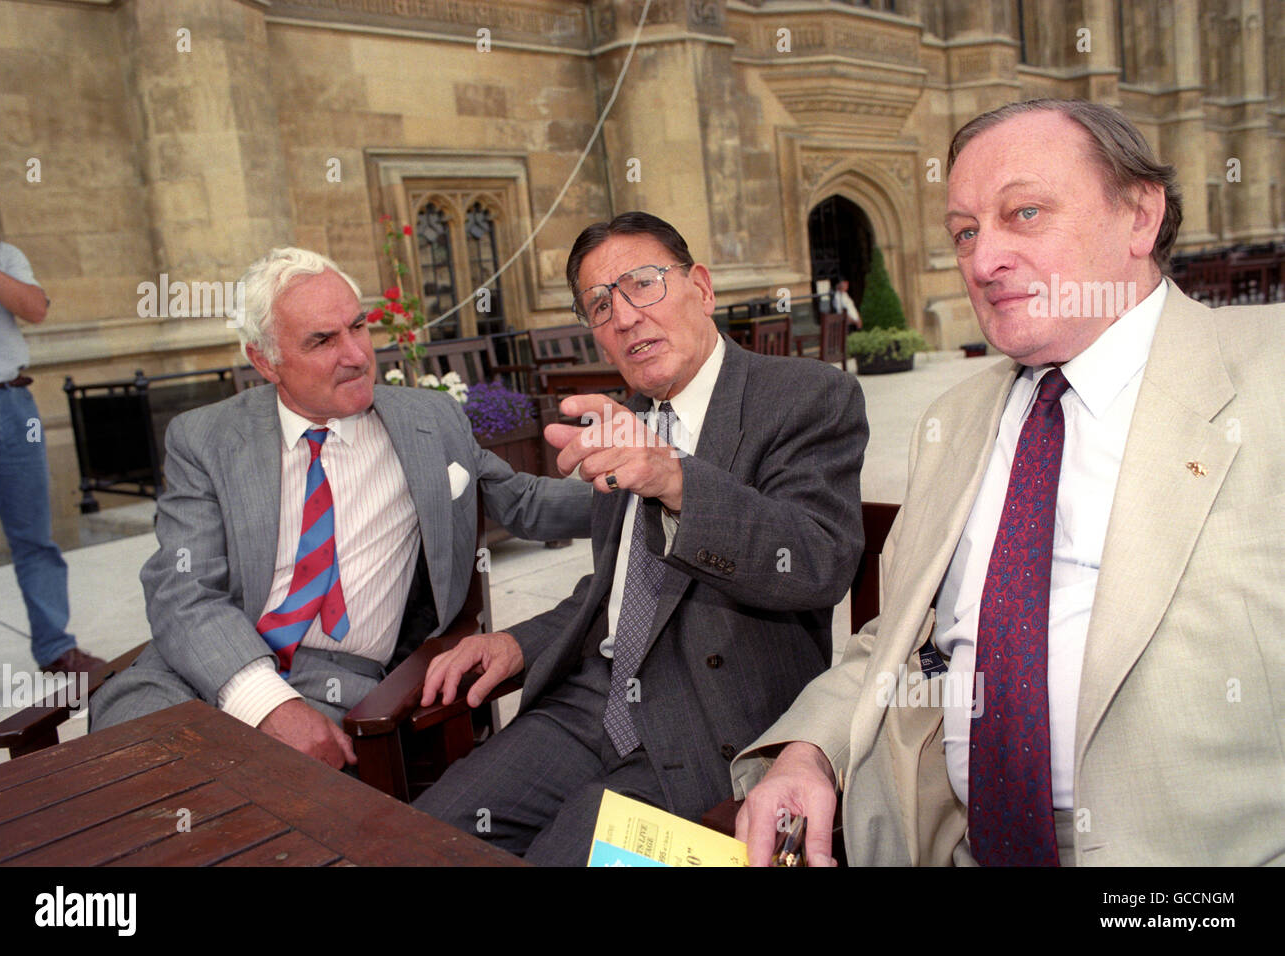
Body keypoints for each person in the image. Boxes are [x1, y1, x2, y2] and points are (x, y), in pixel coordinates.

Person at [733, 99, 1285, 866]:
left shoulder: (1271, 376)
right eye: (965, 231)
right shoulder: (955, 419)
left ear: (1139, 216)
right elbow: (898, 642)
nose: (983, 259)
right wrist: (807, 755)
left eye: (1024, 213)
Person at [414, 211, 868, 865]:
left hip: (705, 723)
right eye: (600, 305)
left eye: (642, 284)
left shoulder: (803, 397)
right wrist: (518, 642)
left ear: (702, 288)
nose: (624, 316)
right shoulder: (625, 418)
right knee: (419, 838)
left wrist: (675, 479)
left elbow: (817, 560)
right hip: (586, 704)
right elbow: (618, 593)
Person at [91, 248, 590, 768]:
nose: (356, 355)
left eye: (357, 327)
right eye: (323, 340)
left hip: (330, 687)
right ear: (265, 361)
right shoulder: (207, 439)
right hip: (196, 665)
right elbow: (182, 587)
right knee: (116, 780)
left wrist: (649, 483)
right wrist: (264, 701)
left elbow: (526, 502)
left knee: (240, 811)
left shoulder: (429, 423)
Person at [0, 238, 104, 678]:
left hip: (12, 402)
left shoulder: (3, 256)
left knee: (36, 538)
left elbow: (35, 308)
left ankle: (56, 647)